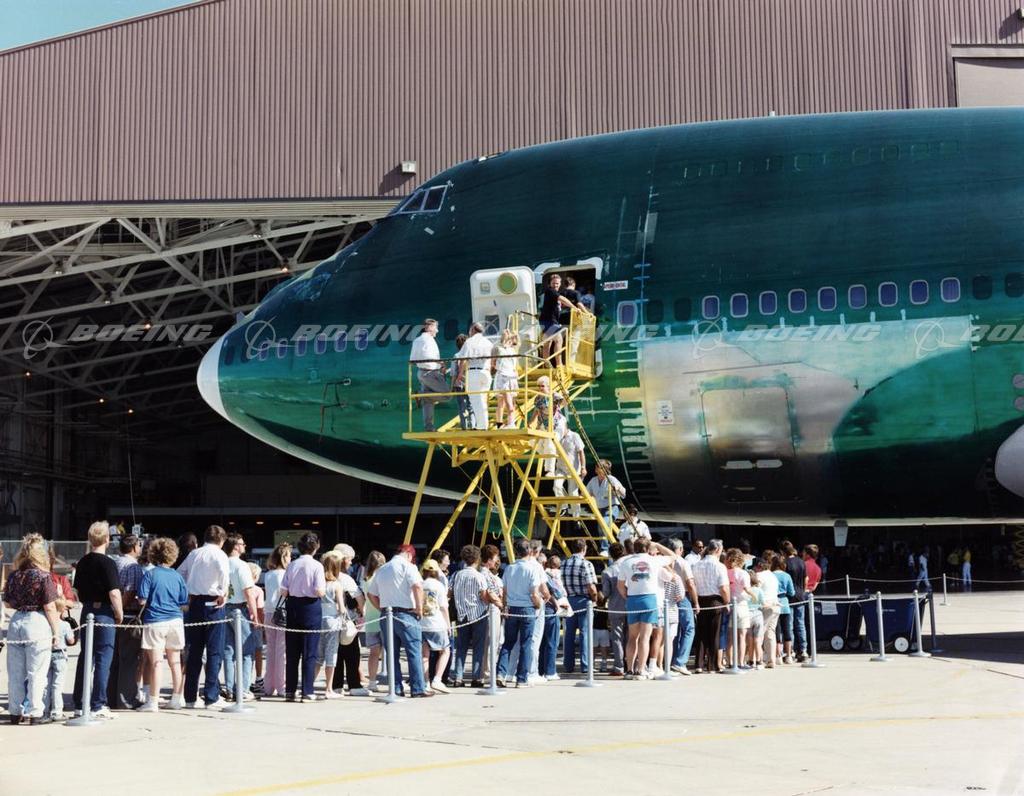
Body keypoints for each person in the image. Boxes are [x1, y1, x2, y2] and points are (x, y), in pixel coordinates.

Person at [4, 536, 62, 724]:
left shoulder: (14, 575)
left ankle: (15, 711)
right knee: (36, 672)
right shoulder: (43, 576)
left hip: (17, 620)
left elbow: (8, 602)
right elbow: (50, 607)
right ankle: (35, 713)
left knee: (15, 672)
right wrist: (56, 632)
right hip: (37, 621)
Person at [72, 521, 124, 718]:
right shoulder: (108, 563)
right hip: (103, 612)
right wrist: (118, 613)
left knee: (86, 657)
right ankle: (98, 704)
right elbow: (114, 593)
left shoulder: (83, 561)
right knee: (103, 658)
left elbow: (77, 589)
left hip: (87, 610)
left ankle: (79, 702)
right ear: (107, 539)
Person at [367, 543, 432, 698]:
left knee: (392, 653)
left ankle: (396, 688)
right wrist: (419, 608)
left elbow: (371, 594)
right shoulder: (409, 567)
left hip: (386, 614)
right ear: (409, 554)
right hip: (406, 614)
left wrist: (382, 609)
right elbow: (417, 587)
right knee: (414, 651)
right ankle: (417, 688)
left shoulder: (382, 569)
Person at [179, 524, 230, 709]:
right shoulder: (220, 554)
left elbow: (180, 573)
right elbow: (224, 574)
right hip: (213, 603)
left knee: (194, 651)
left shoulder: (194, 553)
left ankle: (190, 697)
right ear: (221, 540)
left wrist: (188, 590)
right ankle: (211, 696)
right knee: (214, 652)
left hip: (195, 603)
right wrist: (223, 593)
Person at [136, 537, 188, 711]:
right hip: (175, 620)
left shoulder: (150, 574)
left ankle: (153, 701)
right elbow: (183, 602)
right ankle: (176, 698)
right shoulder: (178, 576)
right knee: (175, 662)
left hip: (155, 621)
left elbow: (142, 600)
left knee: (156, 662)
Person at [617, 538, 677, 679]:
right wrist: (657, 545)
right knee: (645, 637)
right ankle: (641, 669)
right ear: (647, 548)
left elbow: (620, 586)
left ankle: (630, 669)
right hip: (649, 599)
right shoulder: (654, 560)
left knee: (632, 637)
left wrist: (628, 597)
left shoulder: (626, 562)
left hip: (633, 598)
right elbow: (673, 556)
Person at [280, 532, 327, 701]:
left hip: (293, 606)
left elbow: (283, 590)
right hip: (310, 607)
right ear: (316, 547)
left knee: (292, 652)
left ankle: (290, 691)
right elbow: (319, 591)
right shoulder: (317, 566)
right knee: (309, 652)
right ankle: (307, 690)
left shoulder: (292, 565)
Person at [497, 539, 544, 687]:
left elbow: (504, 591)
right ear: (530, 551)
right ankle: (521, 678)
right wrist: (538, 606)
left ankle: (501, 673)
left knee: (508, 643)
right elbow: (534, 593)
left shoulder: (509, 568)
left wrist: (504, 606)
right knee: (526, 643)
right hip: (527, 608)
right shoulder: (532, 569)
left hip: (511, 606)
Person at [220, 533, 260, 702]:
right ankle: (242, 689)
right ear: (236, 546)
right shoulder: (241, 565)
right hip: (239, 609)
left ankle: (229, 688)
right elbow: (249, 591)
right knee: (247, 651)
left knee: (228, 651)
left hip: (224, 608)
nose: (244, 546)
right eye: (242, 544)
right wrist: (255, 615)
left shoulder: (222, 563)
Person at [109, 534, 145, 710]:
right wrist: (120, 611)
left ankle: (111, 697)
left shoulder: (114, 562)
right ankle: (126, 699)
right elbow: (130, 592)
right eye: (139, 544)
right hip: (127, 616)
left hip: (111, 616)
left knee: (114, 659)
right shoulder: (133, 567)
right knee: (129, 660)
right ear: (134, 547)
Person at [329, 544, 369, 697]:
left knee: (334, 653)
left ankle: (336, 684)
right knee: (352, 653)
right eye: (350, 560)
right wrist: (361, 614)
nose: (351, 563)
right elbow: (359, 598)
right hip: (347, 620)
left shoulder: (324, 576)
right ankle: (354, 684)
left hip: (329, 621)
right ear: (343, 559)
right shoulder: (345, 579)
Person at [449, 545, 490, 688]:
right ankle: (476, 677)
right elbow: (484, 596)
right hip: (478, 614)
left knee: (461, 647)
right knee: (478, 647)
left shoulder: (456, 575)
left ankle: (458, 677)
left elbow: (449, 594)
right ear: (477, 559)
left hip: (462, 614)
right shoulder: (479, 576)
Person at [692, 538, 729, 673]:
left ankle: (699, 664)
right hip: (715, 600)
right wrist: (727, 601)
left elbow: (693, 584)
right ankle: (712, 665)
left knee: (701, 633)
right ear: (718, 550)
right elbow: (723, 587)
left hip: (700, 600)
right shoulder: (719, 566)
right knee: (715, 634)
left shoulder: (696, 564)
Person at [561, 538, 598, 674]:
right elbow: (591, 587)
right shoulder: (586, 564)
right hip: (583, 600)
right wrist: (594, 600)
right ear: (584, 548)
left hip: (568, 599)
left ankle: (568, 665)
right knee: (585, 633)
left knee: (569, 634)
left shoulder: (564, 563)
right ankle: (585, 665)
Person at [316, 551, 348, 698]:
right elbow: (341, 607)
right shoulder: (336, 584)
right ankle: (328, 688)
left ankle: (309, 684)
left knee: (318, 656)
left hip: (318, 620)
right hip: (332, 621)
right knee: (331, 655)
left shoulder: (320, 583)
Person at [262, 542, 291, 698]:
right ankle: (281, 686)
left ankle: (269, 686)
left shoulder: (268, 574)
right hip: (283, 614)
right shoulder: (285, 574)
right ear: (284, 557)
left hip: (269, 612)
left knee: (271, 651)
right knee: (282, 652)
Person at [410, 318, 450, 431]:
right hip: (431, 373)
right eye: (436, 327)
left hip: (421, 373)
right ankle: (422, 395)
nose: (437, 331)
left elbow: (412, 360)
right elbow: (430, 357)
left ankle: (429, 427)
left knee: (428, 402)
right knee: (447, 395)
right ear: (430, 327)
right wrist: (440, 364)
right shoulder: (429, 340)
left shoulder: (416, 340)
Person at [454, 322, 494, 431]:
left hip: (474, 372)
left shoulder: (469, 342)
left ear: (472, 330)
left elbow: (462, 359)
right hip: (486, 372)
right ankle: (483, 425)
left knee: (476, 400)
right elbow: (492, 359)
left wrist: (459, 377)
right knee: (483, 400)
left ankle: (482, 426)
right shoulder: (488, 342)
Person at [419, 559, 451, 693]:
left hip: (421, 623)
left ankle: (426, 682)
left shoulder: (420, 584)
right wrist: (448, 624)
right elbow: (443, 607)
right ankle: (437, 679)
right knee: (445, 651)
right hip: (437, 623)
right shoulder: (438, 585)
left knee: (424, 655)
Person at [668, 538, 699, 675]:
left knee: (674, 630)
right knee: (689, 628)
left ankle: (671, 659)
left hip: (667, 596)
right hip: (683, 596)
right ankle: (680, 661)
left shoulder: (664, 562)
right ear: (680, 549)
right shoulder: (683, 562)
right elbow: (690, 583)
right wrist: (696, 602)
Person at [43, 596, 76, 721]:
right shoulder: (65, 624)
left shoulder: (45, 623)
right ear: (62, 610)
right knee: (57, 685)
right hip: (61, 655)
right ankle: (56, 711)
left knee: (46, 684)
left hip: (47, 654)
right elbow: (71, 640)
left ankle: (44, 710)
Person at [539, 272, 580, 365]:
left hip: (549, 321)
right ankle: (559, 365)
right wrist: (574, 307)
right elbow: (563, 299)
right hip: (549, 321)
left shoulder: (553, 292)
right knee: (558, 340)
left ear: (560, 284)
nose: (555, 285)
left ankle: (546, 364)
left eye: (557, 283)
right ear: (550, 284)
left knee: (547, 343)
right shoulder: (550, 291)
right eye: (553, 283)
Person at [360, 551, 386, 692]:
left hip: (370, 620)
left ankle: (371, 681)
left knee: (373, 653)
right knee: (389, 651)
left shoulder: (366, 579)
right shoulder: (382, 579)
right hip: (383, 618)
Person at [725, 548, 755, 669]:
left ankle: (729, 661)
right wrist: (754, 596)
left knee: (730, 636)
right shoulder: (743, 573)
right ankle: (741, 662)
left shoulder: (726, 572)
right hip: (741, 605)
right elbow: (747, 589)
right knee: (742, 635)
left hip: (729, 604)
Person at [539, 554, 568, 679]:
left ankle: (540, 669)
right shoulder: (547, 575)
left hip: (540, 609)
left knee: (542, 643)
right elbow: (556, 591)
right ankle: (550, 671)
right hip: (550, 609)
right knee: (552, 642)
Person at [601, 542, 628, 676]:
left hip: (615, 607)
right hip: (631, 606)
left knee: (617, 637)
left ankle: (619, 666)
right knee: (632, 637)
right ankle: (632, 664)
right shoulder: (629, 567)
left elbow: (606, 592)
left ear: (611, 554)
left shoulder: (608, 571)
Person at [782, 541, 809, 662]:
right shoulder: (801, 561)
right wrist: (803, 590)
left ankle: (791, 650)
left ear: (783, 552)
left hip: (789, 596)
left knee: (790, 625)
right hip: (800, 595)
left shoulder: (786, 563)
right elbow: (805, 578)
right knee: (800, 624)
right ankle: (803, 650)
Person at [553, 421, 586, 516]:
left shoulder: (574, 436)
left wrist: (583, 467)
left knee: (573, 493)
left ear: (565, 427)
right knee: (557, 486)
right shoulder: (556, 437)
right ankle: (564, 507)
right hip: (561, 468)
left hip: (574, 469)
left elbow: (581, 452)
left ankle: (576, 516)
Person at [755, 557, 781, 668]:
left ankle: (759, 660)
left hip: (765, 606)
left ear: (759, 566)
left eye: (755, 567)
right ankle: (771, 660)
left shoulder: (759, 576)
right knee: (770, 633)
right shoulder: (772, 575)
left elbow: (756, 591)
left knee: (760, 633)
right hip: (776, 605)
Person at [771, 553, 797, 664]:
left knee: (776, 631)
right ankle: (789, 655)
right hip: (785, 603)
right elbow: (792, 592)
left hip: (774, 603)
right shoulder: (787, 576)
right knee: (787, 630)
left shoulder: (771, 575)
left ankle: (778, 656)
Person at [493, 328, 520, 428]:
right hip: (505, 376)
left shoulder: (511, 349)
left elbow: (517, 341)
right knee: (506, 403)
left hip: (509, 376)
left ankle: (503, 424)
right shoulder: (502, 349)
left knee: (504, 402)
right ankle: (509, 423)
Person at [586, 460, 626, 526]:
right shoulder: (593, 480)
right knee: (600, 529)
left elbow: (623, 493)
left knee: (604, 524)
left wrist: (617, 489)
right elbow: (586, 492)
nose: (596, 469)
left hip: (611, 508)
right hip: (599, 509)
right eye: (596, 467)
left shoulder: (611, 479)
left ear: (604, 469)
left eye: (598, 467)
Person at [449, 333, 474, 430]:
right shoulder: (471, 355)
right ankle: (473, 425)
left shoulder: (456, 356)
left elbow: (453, 373)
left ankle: (465, 426)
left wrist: (452, 387)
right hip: (471, 383)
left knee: (461, 406)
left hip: (459, 384)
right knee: (471, 406)